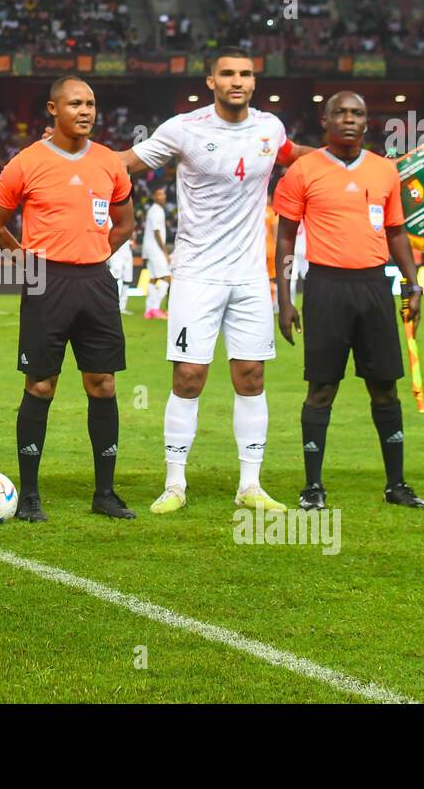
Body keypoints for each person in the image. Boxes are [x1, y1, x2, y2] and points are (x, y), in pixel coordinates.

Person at [119, 48, 309, 515]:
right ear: (211, 81)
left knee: (252, 375)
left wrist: (351, 156)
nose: (237, 81)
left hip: (249, 277)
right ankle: (175, 483)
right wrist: (70, 151)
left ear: (254, 81)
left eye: (246, 73)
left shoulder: (270, 127)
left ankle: (250, 485)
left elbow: (293, 155)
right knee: (189, 375)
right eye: (228, 74)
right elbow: (124, 163)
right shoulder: (183, 128)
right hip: (196, 274)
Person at [0, 76, 136, 521]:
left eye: (90, 103)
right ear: (53, 109)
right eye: (75, 104)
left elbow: (125, 222)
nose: (85, 111)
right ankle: (29, 494)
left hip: (96, 282)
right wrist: (28, 262)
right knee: (41, 385)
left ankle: (104, 493)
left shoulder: (109, 162)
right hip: (46, 283)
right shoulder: (26, 163)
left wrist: (99, 253)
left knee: (102, 383)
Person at [273, 90, 424, 511]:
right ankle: (312, 487)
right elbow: (285, 236)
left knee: (384, 388)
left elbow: (396, 231)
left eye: (357, 112)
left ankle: (396, 484)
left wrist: (413, 285)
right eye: (339, 112)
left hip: (375, 287)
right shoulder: (303, 170)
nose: (348, 119)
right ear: (324, 121)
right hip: (325, 287)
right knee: (321, 387)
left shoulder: (384, 171)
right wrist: (284, 299)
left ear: (366, 121)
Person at [141, 186, 171, 319]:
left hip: (149, 249)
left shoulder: (154, 210)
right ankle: (155, 308)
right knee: (166, 277)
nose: (162, 197)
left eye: (163, 194)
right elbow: (156, 231)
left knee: (153, 278)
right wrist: (165, 252)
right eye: (159, 195)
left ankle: (149, 310)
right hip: (155, 249)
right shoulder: (157, 211)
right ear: (154, 197)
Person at [107, 227, 134, 314]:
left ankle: (122, 306)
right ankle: (110, 304)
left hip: (127, 251)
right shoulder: (110, 218)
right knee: (115, 277)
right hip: (117, 251)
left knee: (127, 279)